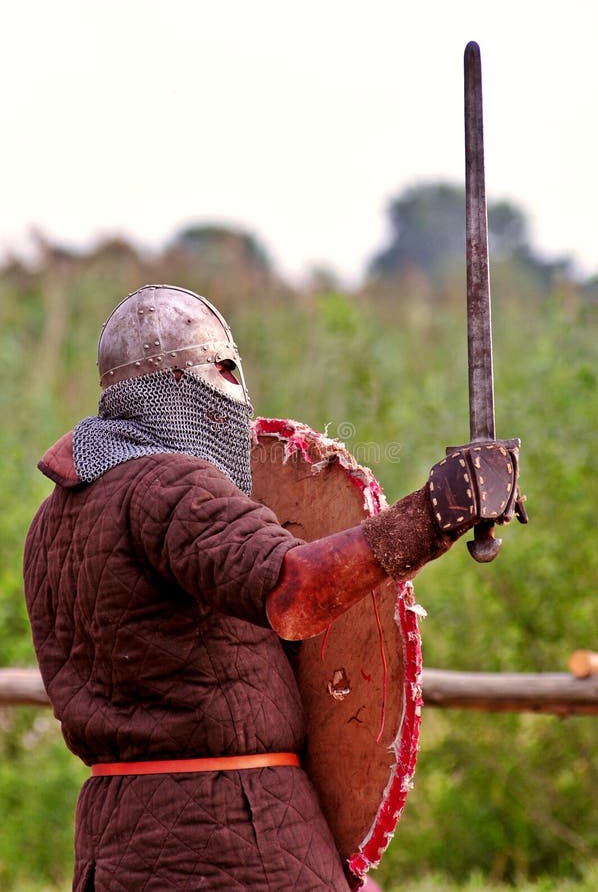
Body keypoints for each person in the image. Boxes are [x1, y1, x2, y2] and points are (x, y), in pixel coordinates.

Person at [23, 284, 524, 891]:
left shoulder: (52, 520)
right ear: (187, 384)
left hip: (115, 838)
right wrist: (435, 513)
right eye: (226, 372)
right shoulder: (172, 487)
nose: (234, 395)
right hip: (233, 835)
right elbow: (295, 594)